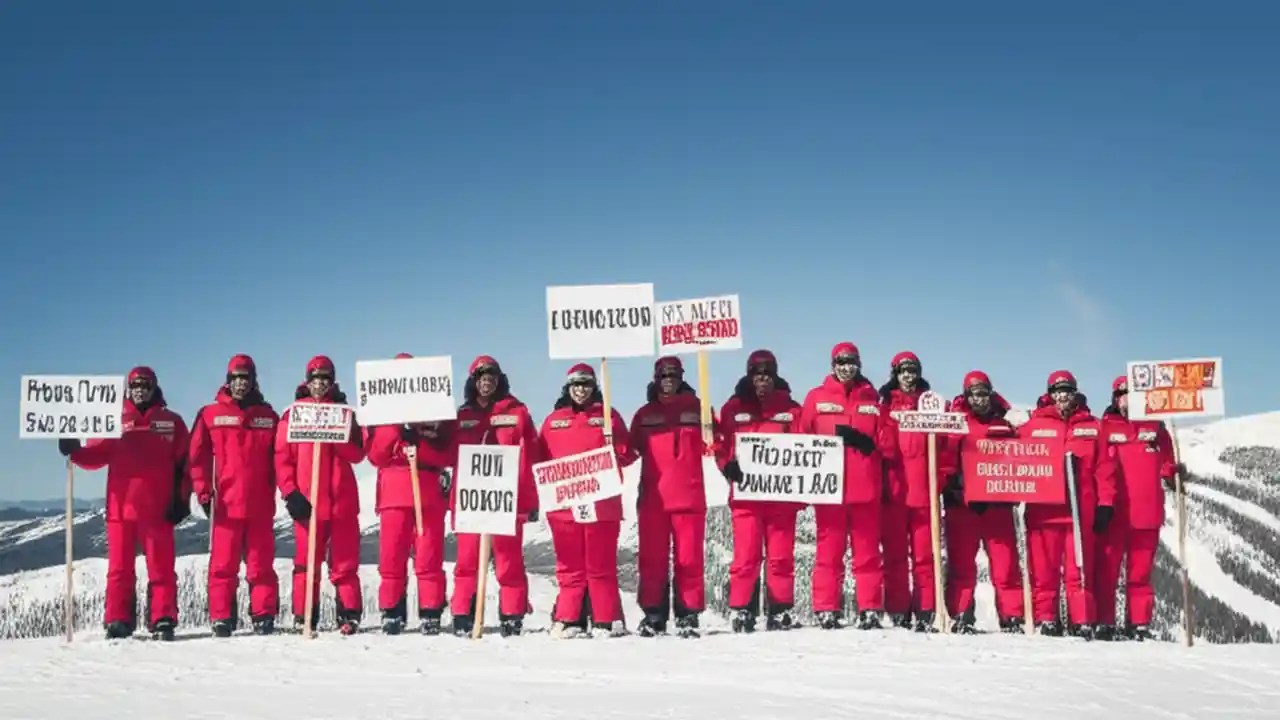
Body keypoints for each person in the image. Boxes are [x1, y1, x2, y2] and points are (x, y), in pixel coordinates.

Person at [61, 366, 191, 640]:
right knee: (119, 569)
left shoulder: (172, 422)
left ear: (155, 388)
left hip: (158, 510)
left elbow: (185, 465)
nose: (140, 390)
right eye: (135, 385)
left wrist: (182, 499)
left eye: (146, 385)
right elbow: (96, 456)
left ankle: (163, 617)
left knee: (161, 567)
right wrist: (74, 450)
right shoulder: (114, 420)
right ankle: (118, 619)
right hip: (121, 510)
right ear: (128, 389)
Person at [797, 342, 897, 629]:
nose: (846, 367)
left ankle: (870, 609)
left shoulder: (872, 401)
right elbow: (802, 439)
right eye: (841, 362)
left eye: (851, 361)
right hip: (829, 491)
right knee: (829, 553)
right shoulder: (815, 398)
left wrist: (870, 442)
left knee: (867, 554)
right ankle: (826, 608)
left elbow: (889, 446)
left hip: (865, 490)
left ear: (859, 365)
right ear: (832, 365)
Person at [537, 362, 635, 638]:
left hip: (601, 506)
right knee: (570, 566)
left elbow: (627, 454)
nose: (581, 390)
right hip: (564, 508)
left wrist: (613, 444)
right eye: (576, 384)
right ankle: (570, 619)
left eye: (587, 384)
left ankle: (606, 619)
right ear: (568, 387)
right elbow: (539, 458)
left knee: (600, 564)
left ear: (595, 387)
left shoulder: (608, 416)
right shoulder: (552, 420)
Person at [1019, 370, 1118, 638]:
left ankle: (1082, 619)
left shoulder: (1093, 426)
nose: (1062, 396)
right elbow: (1011, 460)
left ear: (1075, 393)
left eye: (1067, 391)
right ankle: (1046, 619)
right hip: (1043, 512)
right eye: (1057, 391)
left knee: (1080, 569)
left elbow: (1104, 469)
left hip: (1080, 511)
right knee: (1043, 570)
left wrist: (1105, 503)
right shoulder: (1032, 426)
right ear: (1049, 395)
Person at [188, 354, 280, 637]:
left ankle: (263, 614)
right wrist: (203, 491)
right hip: (225, 504)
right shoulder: (210, 414)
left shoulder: (268, 416)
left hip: (260, 504)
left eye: (246, 378)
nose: (241, 383)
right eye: (236, 378)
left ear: (253, 381)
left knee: (261, 564)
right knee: (222, 565)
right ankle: (222, 617)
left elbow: (281, 456)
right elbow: (197, 456)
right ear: (228, 381)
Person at [448, 355, 539, 637]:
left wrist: (530, 501)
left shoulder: (517, 412)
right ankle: (463, 615)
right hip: (470, 503)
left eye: (491, 377)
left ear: (499, 380)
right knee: (466, 562)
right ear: (473, 382)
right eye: (481, 377)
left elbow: (532, 457)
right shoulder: (462, 416)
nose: (486, 381)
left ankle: (512, 616)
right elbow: (448, 455)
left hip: (506, 502)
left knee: (509, 563)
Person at [274, 355, 366, 635]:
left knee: (345, 563)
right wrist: (290, 493)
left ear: (332, 382)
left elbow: (358, 454)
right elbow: (282, 458)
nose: (320, 384)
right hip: (308, 502)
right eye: (315, 379)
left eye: (325, 379)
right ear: (307, 381)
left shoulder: (345, 414)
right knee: (305, 563)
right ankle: (305, 615)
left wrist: (338, 435)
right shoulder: (293, 414)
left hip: (342, 502)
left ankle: (349, 615)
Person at [366, 352, 456, 636]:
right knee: (391, 555)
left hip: (427, 491)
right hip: (394, 493)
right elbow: (375, 455)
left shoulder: (437, 409)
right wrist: (397, 433)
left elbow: (449, 451)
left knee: (429, 554)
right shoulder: (379, 414)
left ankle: (431, 611)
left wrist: (421, 444)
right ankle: (392, 610)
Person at [717, 349, 804, 633]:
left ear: (774, 375)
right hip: (746, 497)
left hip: (781, 497)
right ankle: (743, 609)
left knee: (781, 558)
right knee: (746, 557)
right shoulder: (733, 407)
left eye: (767, 374)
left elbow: (804, 448)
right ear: (749, 375)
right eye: (757, 374)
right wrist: (726, 465)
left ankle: (780, 610)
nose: (762, 379)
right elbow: (721, 444)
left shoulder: (791, 409)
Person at [630, 355, 714, 638]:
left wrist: (715, 436)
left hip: (689, 499)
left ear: (681, 378)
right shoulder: (644, 415)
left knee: (689, 560)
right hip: (654, 500)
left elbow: (717, 441)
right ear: (656, 379)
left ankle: (688, 615)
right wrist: (611, 445)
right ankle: (654, 615)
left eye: (673, 375)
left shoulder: (698, 410)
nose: (669, 380)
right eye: (664, 376)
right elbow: (629, 451)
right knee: (652, 560)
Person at [1097, 375, 1182, 641]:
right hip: (1115, 514)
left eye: (1132, 396)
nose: (1127, 402)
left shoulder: (1156, 427)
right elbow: (1101, 468)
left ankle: (1139, 623)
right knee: (1107, 572)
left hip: (1147, 514)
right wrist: (1103, 503)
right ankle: (1105, 621)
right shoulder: (1106, 428)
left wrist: (1173, 474)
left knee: (1140, 574)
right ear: (1115, 399)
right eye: (1123, 396)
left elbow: (1167, 461)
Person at [941, 371, 1026, 634]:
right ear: (966, 396)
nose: (979, 399)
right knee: (961, 565)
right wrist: (954, 490)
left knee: (1006, 564)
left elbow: (1022, 459)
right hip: (962, 507)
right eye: (973, 394)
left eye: (983, 393)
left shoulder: (1006, 422)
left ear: (990, 393)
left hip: (997, 506)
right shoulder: (957, 424)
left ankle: (1012, 616)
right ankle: (961, 613)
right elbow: (945, 461)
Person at [877, 351, 940, 631]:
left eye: (913, 371)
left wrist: (944, 479)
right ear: (895, 374)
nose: (908, 376)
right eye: (903, 371)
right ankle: (898, 610)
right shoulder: (884, 407)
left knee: (926, 557)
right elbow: (878, 447)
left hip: (925, 496)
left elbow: (946, 448)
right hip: (893, 495)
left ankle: (926, 609)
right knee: (895, 557)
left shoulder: (933, 406)